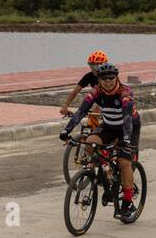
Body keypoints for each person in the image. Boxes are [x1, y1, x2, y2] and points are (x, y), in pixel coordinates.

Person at [60, 63, 140, 217]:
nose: (107, 81)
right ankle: (105, 171)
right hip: (109, 126)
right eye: (103, 79)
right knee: (89, 145)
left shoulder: (125, 93)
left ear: (116, 77)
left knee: (124, 162)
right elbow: (81, 111)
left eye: (111, 78)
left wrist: (126, 140)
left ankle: (128, 203)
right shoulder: (96, 92)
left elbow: (128, 120)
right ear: (99, 80)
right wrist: (66, 130)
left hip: (128, 127)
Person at [60, 49, 110, 116]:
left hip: (111, 102)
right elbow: (75, 91)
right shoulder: (89, 76)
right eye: (91, 65)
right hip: (99, 100)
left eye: (96, 66)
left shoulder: (109, 77)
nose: (93, 68)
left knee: (94, 117)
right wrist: (65, 105)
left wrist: (98, 110)